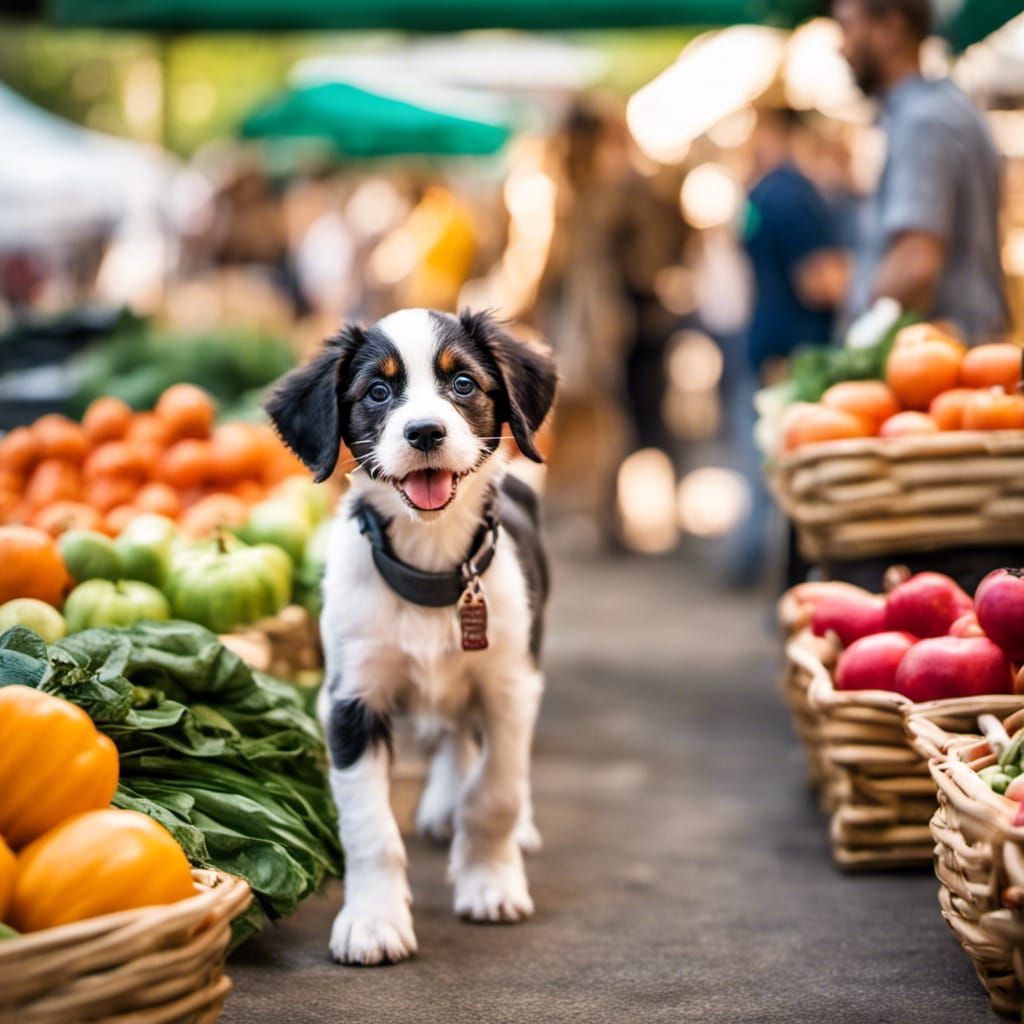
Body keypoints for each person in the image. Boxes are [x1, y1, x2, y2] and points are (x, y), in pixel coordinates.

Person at [834, 0, 1008, 343]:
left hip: (940, 366)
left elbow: (916, 262)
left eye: (847, 26)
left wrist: (857, 338)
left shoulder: (922, 121)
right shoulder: (948, 106)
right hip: (960, 358)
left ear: (891, 28)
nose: (842, 46)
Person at [728, 108, 846, 584]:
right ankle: (782, 583)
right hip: (796, 351)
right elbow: (820, 282)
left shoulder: (758, 194)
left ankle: (748, 565)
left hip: (765, 341)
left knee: (764, 467)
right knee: (791, 480)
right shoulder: (794, 196)